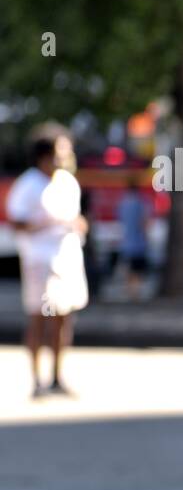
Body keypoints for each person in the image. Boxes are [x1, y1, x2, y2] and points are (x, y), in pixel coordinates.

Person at [5, 124, 89, 398]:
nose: (66, 157)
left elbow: (76, 219)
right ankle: (36, 379)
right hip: (40, 261)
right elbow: (16, 222)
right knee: (40, 318)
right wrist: (42, 224)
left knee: (64, 318)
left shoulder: (67, 182)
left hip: (66, 258)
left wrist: (77, 225)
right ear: (45, 155)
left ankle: (56, 376)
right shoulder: (29, 184)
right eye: (60, 151)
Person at [117, 185, 151, 300]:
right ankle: (135, 292)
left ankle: (130, 290)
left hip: (127, 241)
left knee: (130, 267)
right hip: (138, 241)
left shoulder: (123, 203)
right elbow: (144, 221)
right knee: (137, 269)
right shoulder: (140, 203)